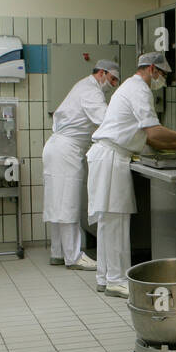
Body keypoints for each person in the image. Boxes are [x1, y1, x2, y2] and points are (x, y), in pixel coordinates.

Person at [86, 53, 176, 298]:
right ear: (151, 69)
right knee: (116, 222)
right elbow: (154, 131)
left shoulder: (130, 86)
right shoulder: (139, 89)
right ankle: (115, 280)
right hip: (110, 158)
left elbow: (149, 137)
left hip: (109, 156)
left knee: (109, 222)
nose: (161, 79)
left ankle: (105, 276)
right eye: (161, 74)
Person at [43, 59, 120, 270]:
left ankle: (58, 252)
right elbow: (106, 122)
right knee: (67, 203)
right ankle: (74, 257)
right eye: (112, 79)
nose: (113, 85)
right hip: (65, 150)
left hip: (57, 149)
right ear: (102, 73)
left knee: (58, 202)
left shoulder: (84, 86)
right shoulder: (91, 91)